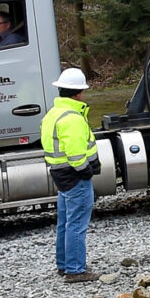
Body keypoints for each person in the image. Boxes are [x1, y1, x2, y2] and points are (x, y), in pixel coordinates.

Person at [40, 68, 98, 282]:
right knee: (77, 223)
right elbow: (75, 154)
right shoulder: (72, 118)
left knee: (65, 222)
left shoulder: (53, 114)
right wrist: (87, 170)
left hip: (60, 175)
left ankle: (64, 265)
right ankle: (75, 270)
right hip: (75, 177)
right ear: (78, 93)